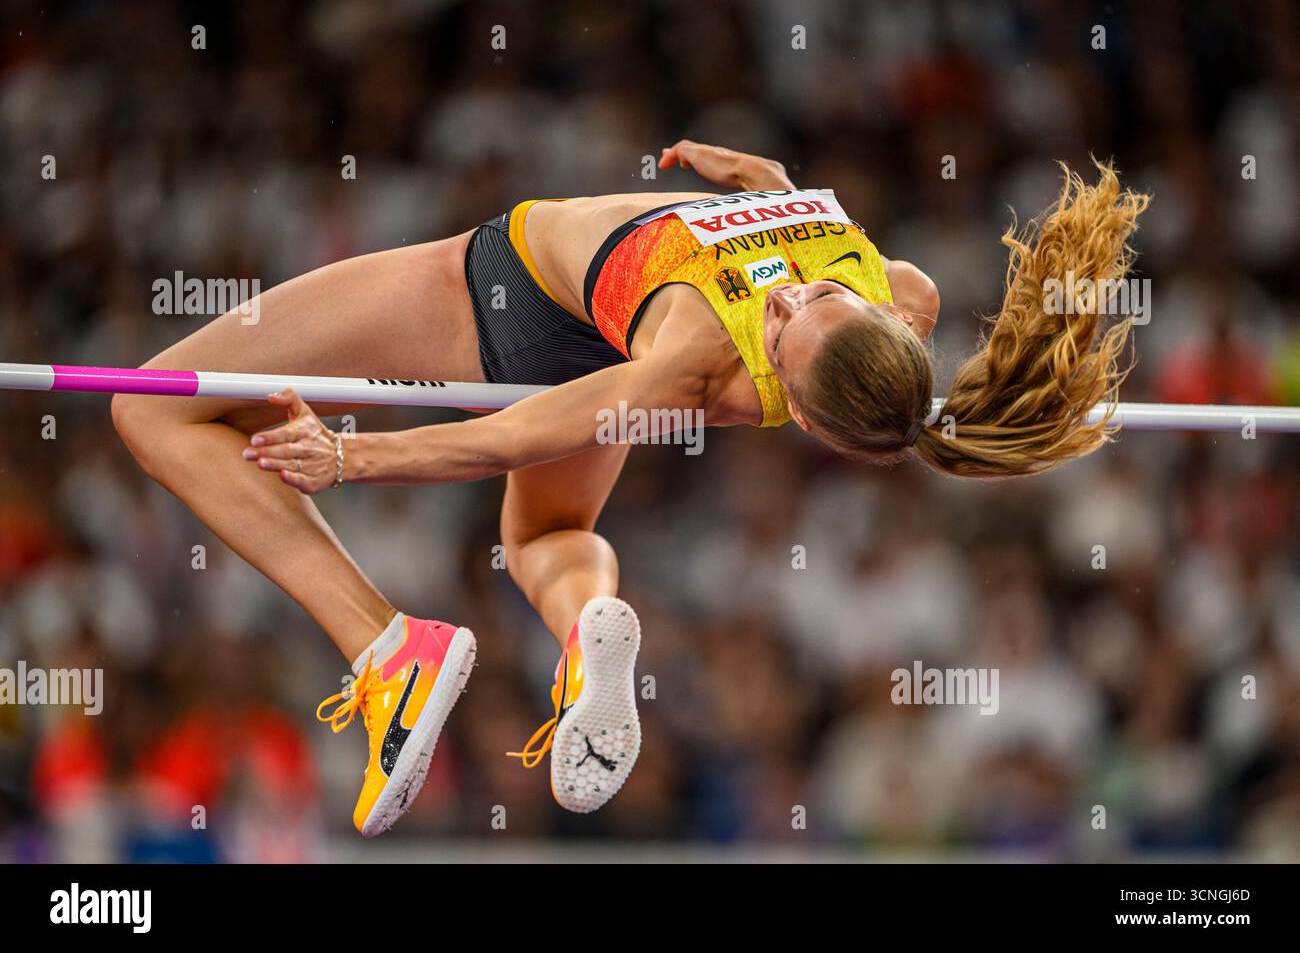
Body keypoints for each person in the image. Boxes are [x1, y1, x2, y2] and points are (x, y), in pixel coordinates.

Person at [111, 140, 1149, 835]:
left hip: (496, 294)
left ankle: (387, 648)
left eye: (788, 324)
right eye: (823, 292)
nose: (795, 295)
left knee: (148, 406)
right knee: (547, 535)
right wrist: (758, 180)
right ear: (886, 312)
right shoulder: (903, 294)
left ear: (777, 380)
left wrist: (354, 458)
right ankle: (588, 624)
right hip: (611, 328)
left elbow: (508, 434)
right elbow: (801, 250)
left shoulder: (691, 357)